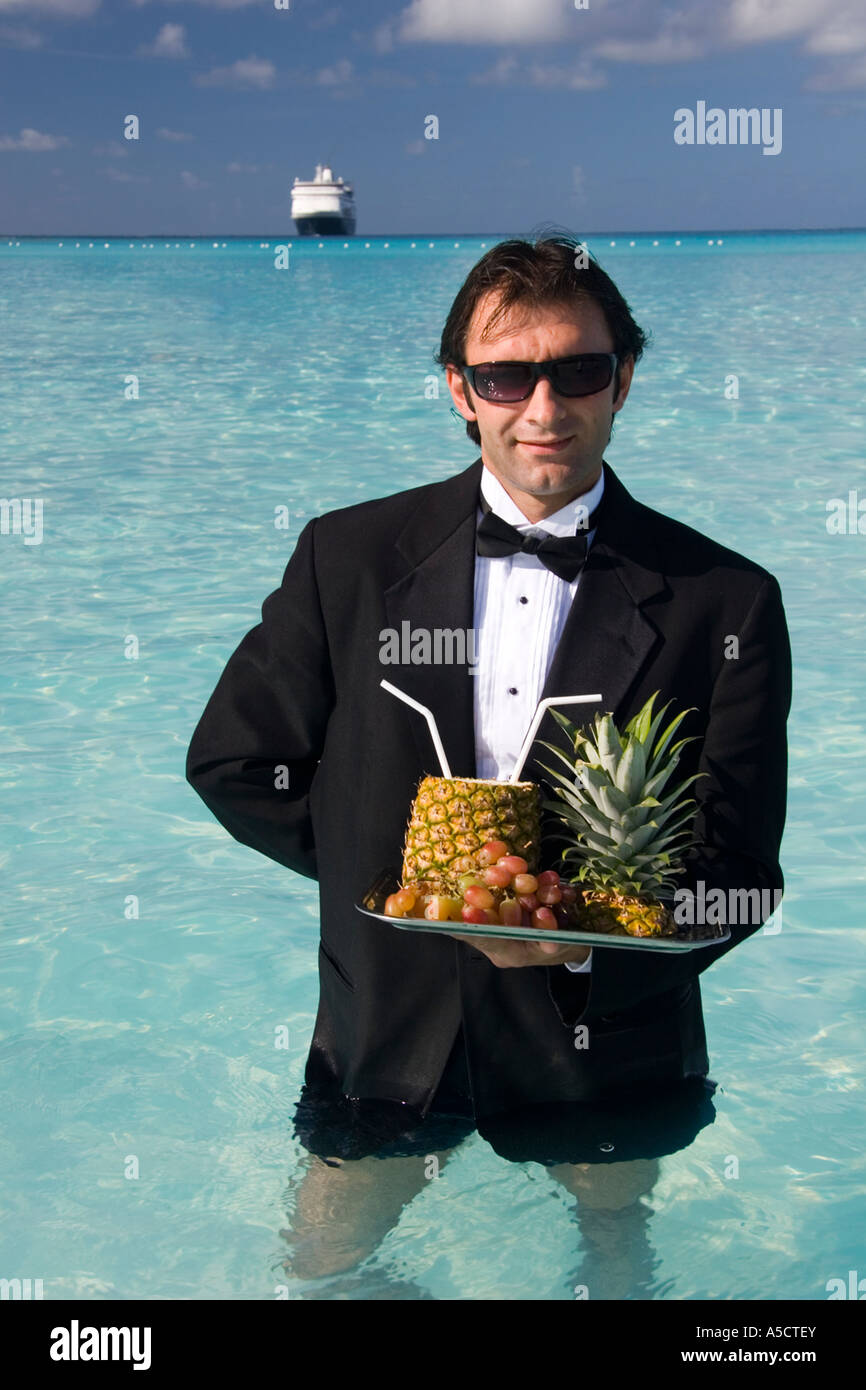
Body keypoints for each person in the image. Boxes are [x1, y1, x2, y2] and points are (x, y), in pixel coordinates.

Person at [185, 234, 791, 1285]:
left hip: (604, 1040)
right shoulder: (348, 555)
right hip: (387, 1020)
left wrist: (590, 941)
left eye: (578, 370)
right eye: (507, 375)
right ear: (459, 390)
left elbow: (738, 872)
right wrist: (395, 888)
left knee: (615, 1253)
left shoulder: (724, 599)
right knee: (324, 1264)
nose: (543, 407)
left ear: (623, 381)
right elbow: (239, 762)